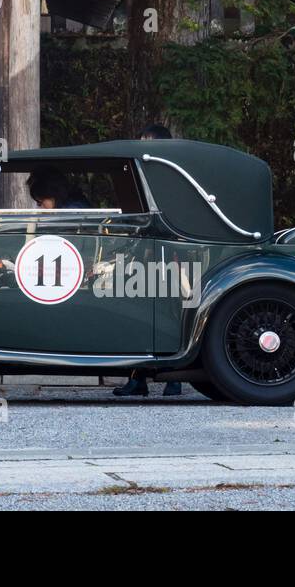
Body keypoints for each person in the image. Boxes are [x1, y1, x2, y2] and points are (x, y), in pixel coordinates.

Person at [113, 123, 184, 398]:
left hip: (171, 253)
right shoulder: (143, 174)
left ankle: (174, 378)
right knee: (141, 314)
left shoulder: (174, 175)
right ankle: (137, 377)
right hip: (145, 251)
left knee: (170, 314)